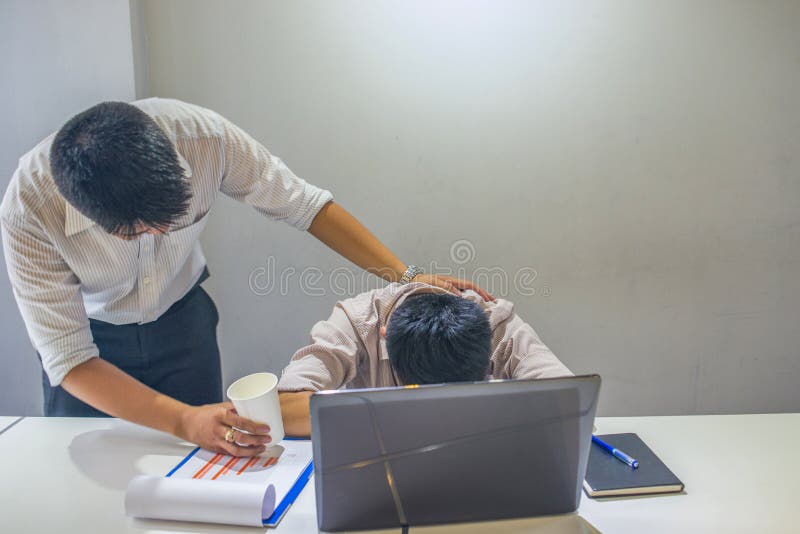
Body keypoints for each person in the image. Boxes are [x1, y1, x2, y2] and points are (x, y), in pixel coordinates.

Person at [0, 98, 490, 457]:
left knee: (198, 467)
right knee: (86, 477)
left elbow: (305, 205)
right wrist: (183, 420)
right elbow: (68, 358)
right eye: (137, 233)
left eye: (174, 219)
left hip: (181, 321)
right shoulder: (28, 209)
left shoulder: (203, 139)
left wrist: (407, 277)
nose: (161, 234)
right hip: (92, 354)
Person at [277, 282, 573, 437]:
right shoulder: (356, 322)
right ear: (385, 339)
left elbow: (569, 401)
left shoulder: (497, 323)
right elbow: (283, 407)